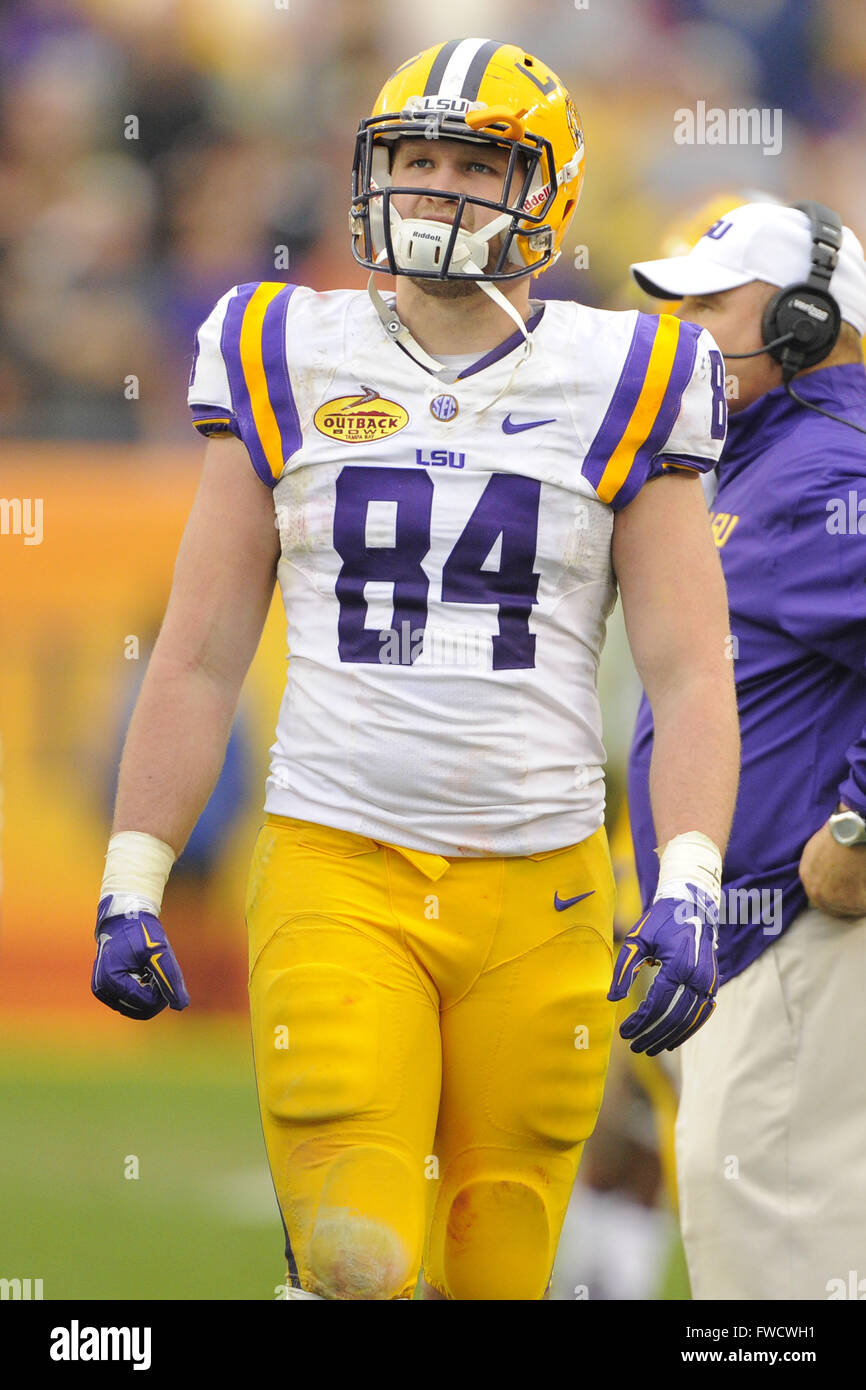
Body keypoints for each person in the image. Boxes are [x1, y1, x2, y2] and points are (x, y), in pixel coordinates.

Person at [90, 37, 739, 1301]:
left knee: (497, 1269)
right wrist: (131, 875)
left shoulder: (633, 372)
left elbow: (687, 670)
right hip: (340, 860)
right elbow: (201, 648)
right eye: (412, 158)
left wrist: (692, 872)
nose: (433, 187)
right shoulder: (284, 344)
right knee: (357, 1262)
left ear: (544, 192)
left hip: (543, 892)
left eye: (471, 162)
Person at [627, 199, 866, 1300]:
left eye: (709, 305)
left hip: (801, 932)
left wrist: (861, 821)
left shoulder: (827, 470)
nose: (683, 333)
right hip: (757, 941)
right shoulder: (773, 459)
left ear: (809, 320)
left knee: (774, 1279)